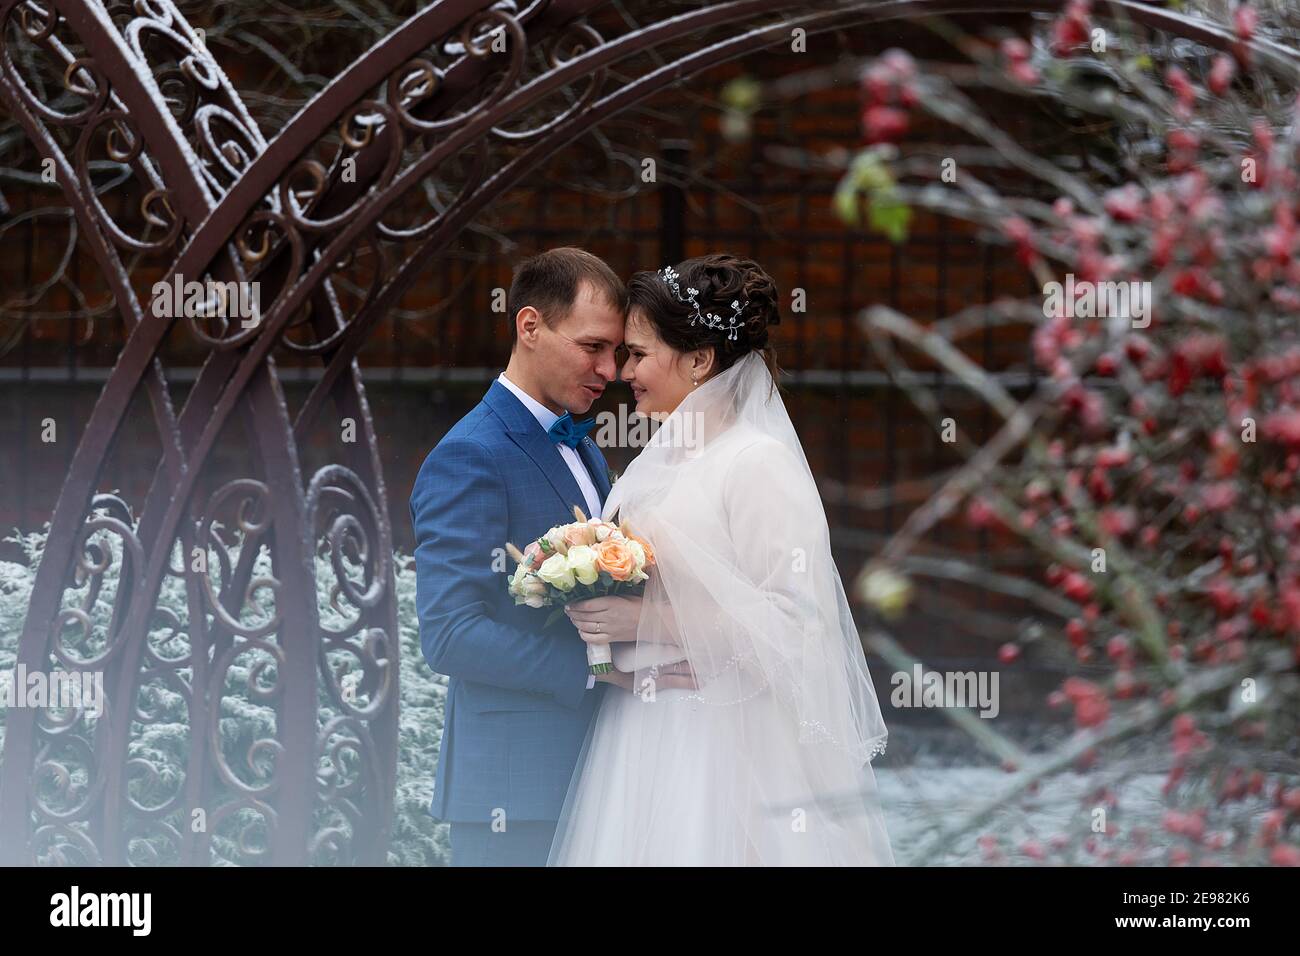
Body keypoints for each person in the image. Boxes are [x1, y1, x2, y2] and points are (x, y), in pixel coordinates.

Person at [549, 253, 895, 866]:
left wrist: (645, 623)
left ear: (700, 360)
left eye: (639, 353)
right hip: (639, 732)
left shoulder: (757, 463)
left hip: (729, 746)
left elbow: (799, 624)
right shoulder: (656, 460)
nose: (625, 371)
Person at [409, 247, 691, 866]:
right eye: (593, 347)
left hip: (595, 778)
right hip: (514, 791)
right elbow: (450, 634)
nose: (611, 369)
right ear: (529, 326)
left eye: (618, 351)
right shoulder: (471, 455)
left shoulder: (583, 447)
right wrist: (598, 672)